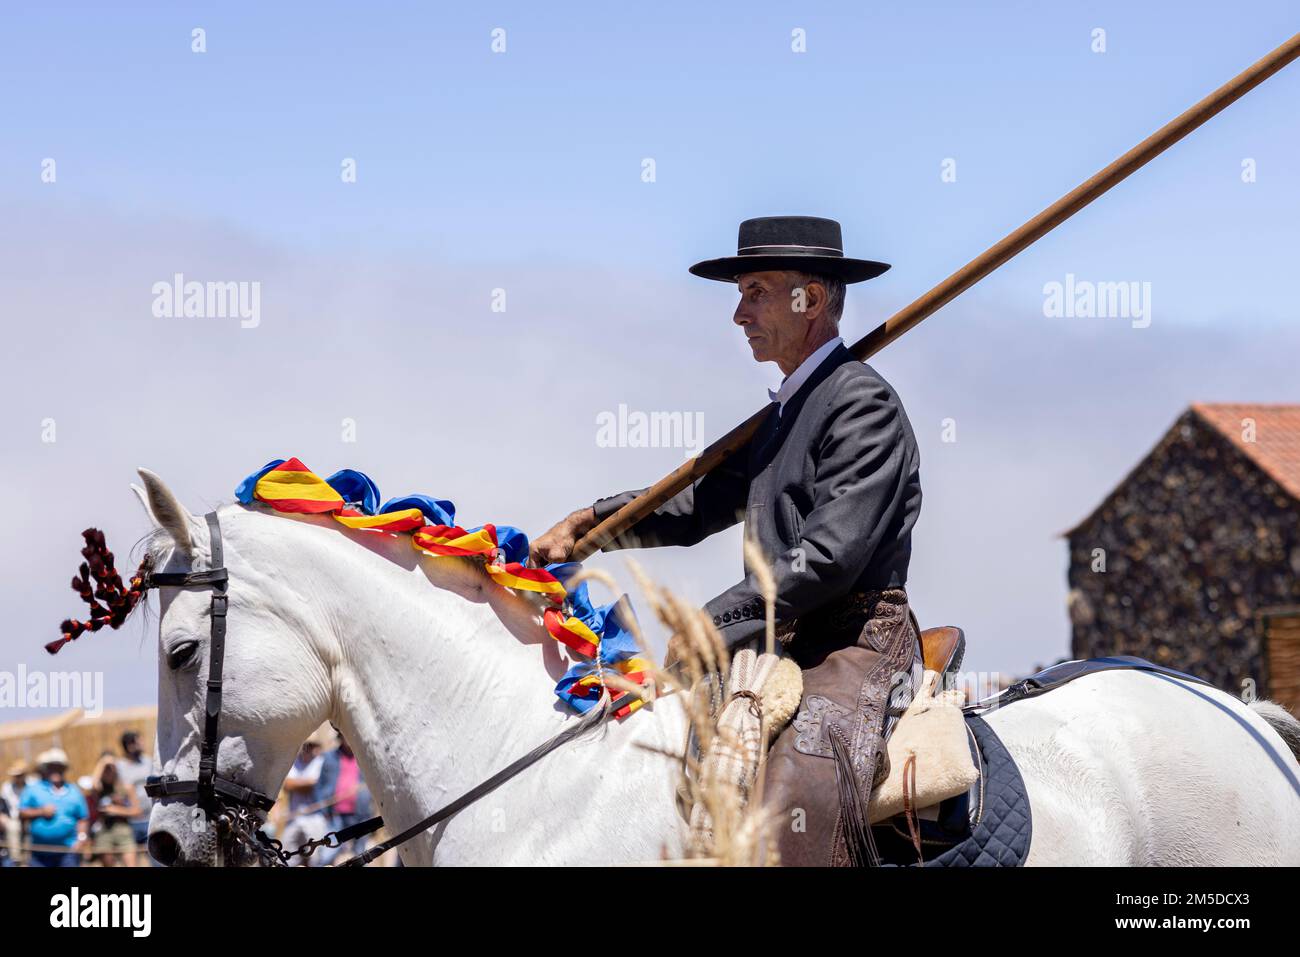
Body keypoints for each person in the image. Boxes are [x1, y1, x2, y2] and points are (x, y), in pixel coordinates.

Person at [531, 216, 925, 867]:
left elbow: (828, 559)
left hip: (851, 640)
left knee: (796, 784)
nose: (739, 314)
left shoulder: (861, 404)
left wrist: (710, 619)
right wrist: (590, 524)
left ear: (812, 300)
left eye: (756, 292)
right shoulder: (785, 413)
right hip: (780, 638)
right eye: (740, 293)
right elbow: (696, 505)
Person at [19, 749, 89, 867]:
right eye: (52, 767)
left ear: (64, 769)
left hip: (67, 851)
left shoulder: (74, 791)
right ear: (46, 769)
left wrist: (81, 838)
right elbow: (22, 812)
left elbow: (82, 817)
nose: (55, 771)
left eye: (59, 767)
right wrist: (41, 811)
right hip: (39, 852)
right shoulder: (33, 789)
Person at [317, 731, 373, 865]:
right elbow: (320, 784)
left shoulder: (364, 758)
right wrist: (323, 809)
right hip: (336, 813)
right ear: (340, 738)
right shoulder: (330, 756)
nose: (349, 740)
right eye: (345, 736)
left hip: (361, 813)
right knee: (328, 852)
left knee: (360, 854)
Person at [279, 726, 332, 866]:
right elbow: (288, 785)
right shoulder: (294, 762)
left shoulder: (320, 761)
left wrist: (299, 784)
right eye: (307, 745)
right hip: (294, 816)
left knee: (315, 860)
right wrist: (303, 784)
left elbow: (313, 784)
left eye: (312, 745)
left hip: (315, 818)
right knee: (286, 859)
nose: (309, 748)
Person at [89, 754, 141, 866]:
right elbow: (93, 785)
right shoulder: (100, 788)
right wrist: (103, 763)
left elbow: (137, 811)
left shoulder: (126, 787)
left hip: (123, 829)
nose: (108, 771)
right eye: (105, 769)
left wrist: (117, 810)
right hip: (104, 830)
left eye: (111, 767)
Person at [114, 730, 154, 859]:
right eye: (137, 742)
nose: (141, 744)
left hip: (151, 819)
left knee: (156, 860)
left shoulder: (148, 762)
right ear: (129, 745)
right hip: (132, 821)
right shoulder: (119, 766)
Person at [1, 761, 27, 866]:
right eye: (16, 776)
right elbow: (3, 805)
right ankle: (16, 858)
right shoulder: (7, 787)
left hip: (30, 816)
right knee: (13, 827)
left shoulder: (31, 785)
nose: (18, 778)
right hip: (13, 817)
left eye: (20, 775)